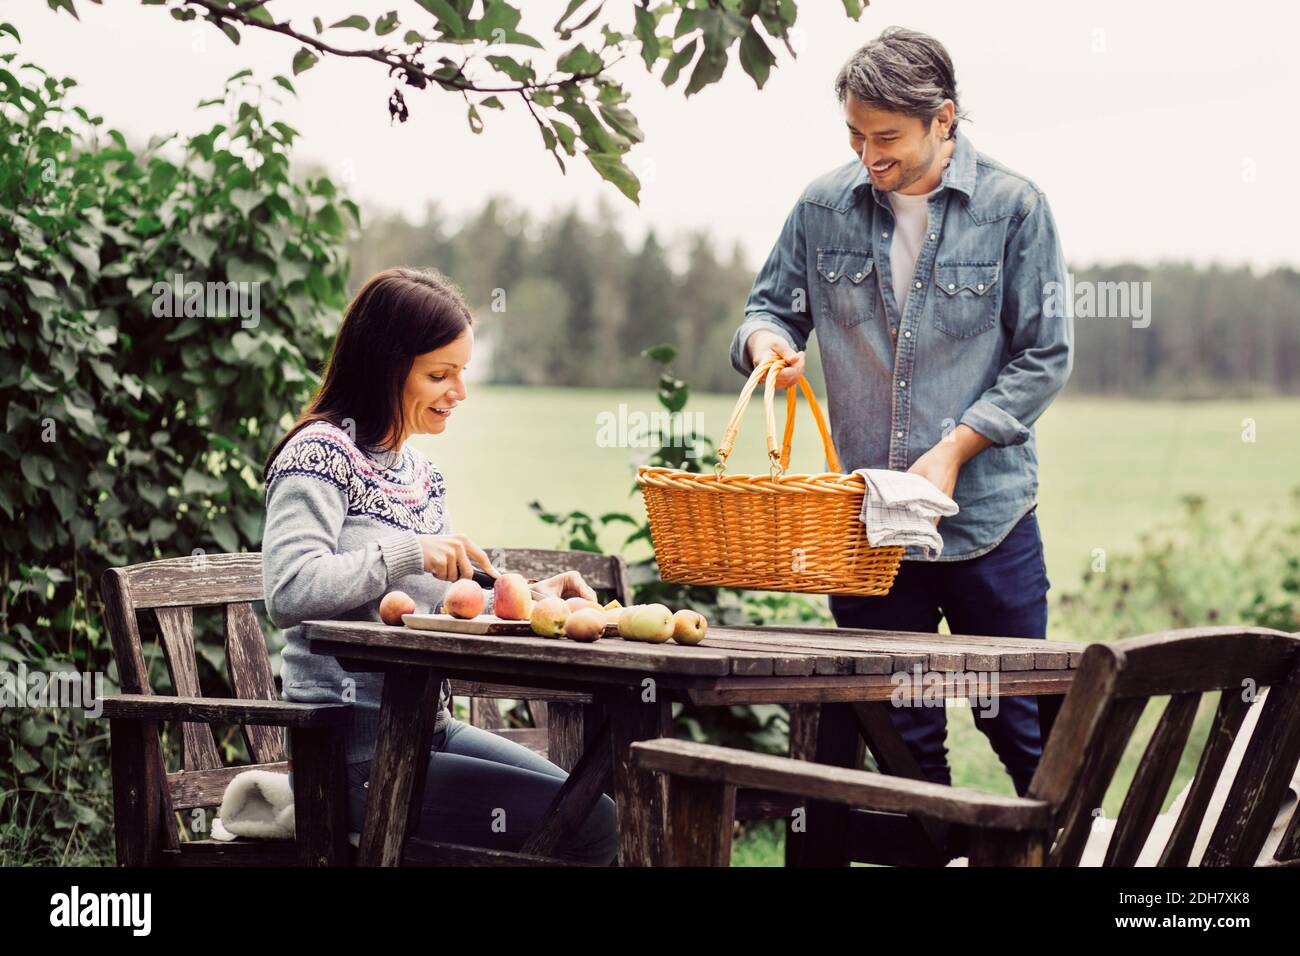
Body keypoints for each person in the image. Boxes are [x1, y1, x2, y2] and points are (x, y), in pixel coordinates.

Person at [730, 27, 1073, 800]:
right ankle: (940, 855)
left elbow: (1044, 355)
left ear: (943, 120)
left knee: (1024, 726)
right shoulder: (822, 207)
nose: (868, 154)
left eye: (887, 137)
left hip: (987, 521)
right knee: (900, 738)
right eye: (854, 133)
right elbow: (768, 310)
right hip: (867, 529)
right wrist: (767, 346)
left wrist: (955, 449)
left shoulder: (1016, 210)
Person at [262, 267, 619, 864]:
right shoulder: (318, 454)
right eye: (439, 374)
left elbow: (447, 601)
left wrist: (533, 595)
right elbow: (289, 590)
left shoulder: (417, 472)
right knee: (588, 826)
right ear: (385, 368)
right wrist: (409, 549)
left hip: (428, 730)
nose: (459, 392)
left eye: (461, 373)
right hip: (350, 758)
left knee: (596, 804)